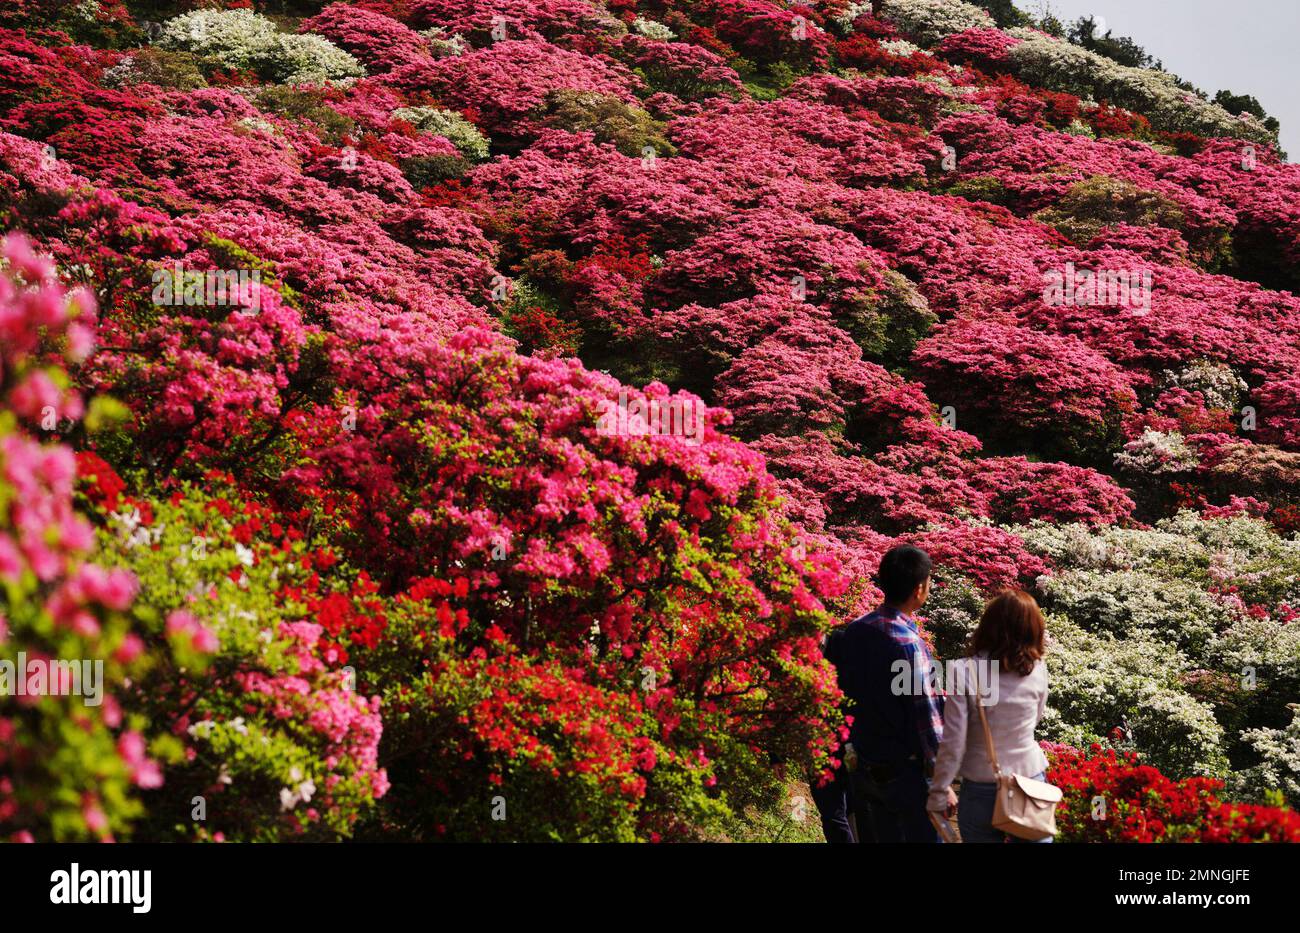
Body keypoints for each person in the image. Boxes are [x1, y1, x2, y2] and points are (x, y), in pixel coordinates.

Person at [926, 589, 1051, 844]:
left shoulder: (965, 670)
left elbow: (953, 741)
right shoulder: (1038, 670)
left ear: (988, 625)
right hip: (1029, 778)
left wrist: (939, 791)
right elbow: (1036, 719)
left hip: (982, 782)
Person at [836, 545, 943, 843]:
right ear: (920, 589)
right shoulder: (909, 645)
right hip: (904, 776)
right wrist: (942, 781)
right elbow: (927, 720)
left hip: (863, 764)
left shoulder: (856, 630)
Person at [812, 625, 856, 842]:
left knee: (857, 808)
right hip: (817, 746)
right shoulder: (794, 656)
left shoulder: (846, 644)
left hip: (854, 742)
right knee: (832, 814)